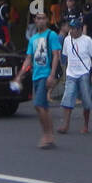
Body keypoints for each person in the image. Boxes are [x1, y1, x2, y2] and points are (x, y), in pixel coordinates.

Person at [17, 12, 63, 148]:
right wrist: (20, 75)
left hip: (46, 73)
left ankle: (46, 134)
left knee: (38, 104)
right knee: (43, 107)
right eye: (38, 18)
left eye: (43, 18)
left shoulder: (52, 35)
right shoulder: (33, 39)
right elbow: (28, 59)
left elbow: (56, 56)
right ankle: (50, 135)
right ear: (35, 21)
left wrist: (52, 75)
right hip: (36, 75)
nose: (41, 21)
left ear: (47, 20)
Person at [58, 17, 92, 134]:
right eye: (70, 28)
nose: (71, 31)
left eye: (74, 29)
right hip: (71, 73)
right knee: (68, 99)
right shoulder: (67, 40)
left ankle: (85, 124)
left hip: (84, 72)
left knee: (86, 100)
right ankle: (65, 125)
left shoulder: (87, 40)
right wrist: (63, 71)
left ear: (80, 29)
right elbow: (64, 56)